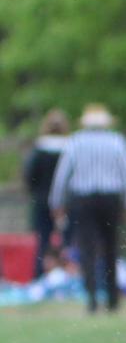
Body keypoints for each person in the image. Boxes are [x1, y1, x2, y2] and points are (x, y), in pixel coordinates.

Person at [48, 104, 126, 314]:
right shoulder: (117, 141)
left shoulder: (76, 142)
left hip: (83, 200)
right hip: (111, 199)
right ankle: (112, 299)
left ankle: (91, 299)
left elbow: (62, 176)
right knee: (111, 248)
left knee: (87, 249)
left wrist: (57, 203)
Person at [23, 109, 72, 279]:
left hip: (42, 202)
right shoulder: (69, 147)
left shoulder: (38, 149)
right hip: (67, 203)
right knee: (68, 242)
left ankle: (39, 276)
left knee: (43, 242)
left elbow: (30, 176)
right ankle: (69, 275)